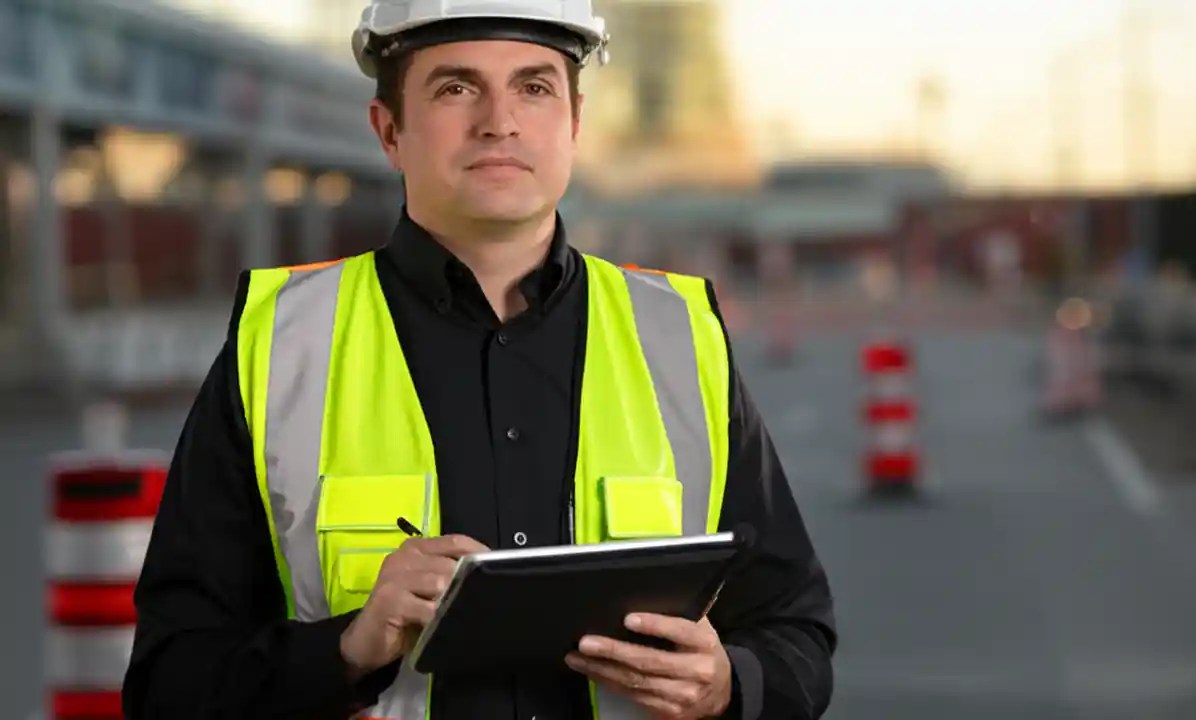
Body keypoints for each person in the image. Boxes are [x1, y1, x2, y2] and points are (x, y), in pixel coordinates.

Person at [122, 0, 836, 718]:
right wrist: (348, 649)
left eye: (534, 87)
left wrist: (727, 686)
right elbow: (168, 685)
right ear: (389, 131)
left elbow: (796, 636)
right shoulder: (282, 345)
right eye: (456, 87)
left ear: (575, 122)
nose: (500, 120)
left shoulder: (681, 338)